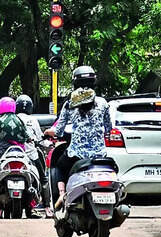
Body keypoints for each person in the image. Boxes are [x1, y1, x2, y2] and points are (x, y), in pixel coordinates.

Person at [45, 66, 112, 214]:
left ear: (75, 83)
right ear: (94, 81)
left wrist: (49, 132)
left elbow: (59, 130)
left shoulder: (69, 104)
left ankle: (62, 194)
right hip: (100, 154)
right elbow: (108, 128)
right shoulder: (103, 103)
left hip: (76, 154)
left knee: (59, 165)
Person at [0, 97, 34, 219]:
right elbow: (26, 136)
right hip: (20, 151)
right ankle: (32, 207)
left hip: (2, 152)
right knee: (31, 173)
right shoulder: (19, 120)